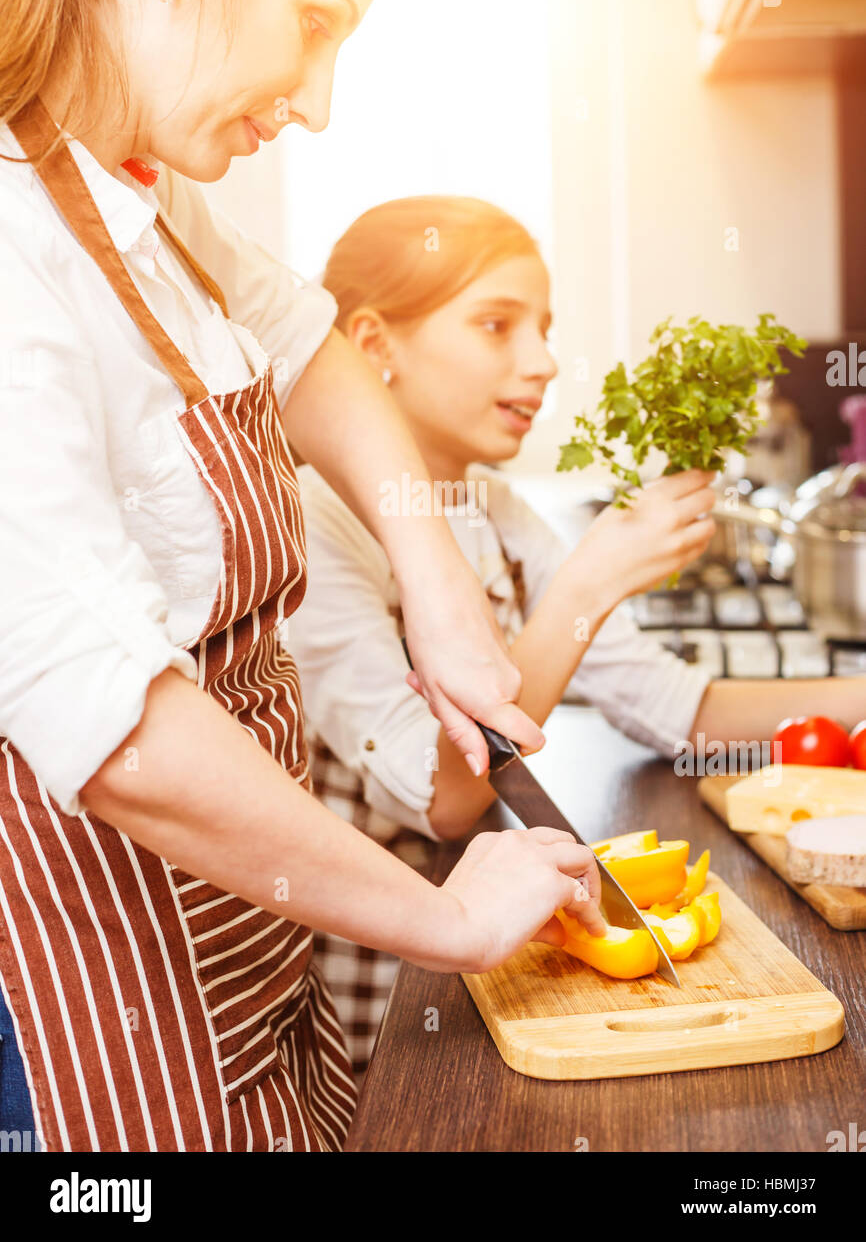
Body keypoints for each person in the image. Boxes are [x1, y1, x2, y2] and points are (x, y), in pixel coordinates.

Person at [0, 0, 609, 1153]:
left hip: (241, 966)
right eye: (315, 23)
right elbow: (120, 734)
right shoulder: (11, 251)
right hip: (86, 1024)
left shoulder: (144, 211)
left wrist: (435, 576)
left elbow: (310, 348)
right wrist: (444, 917)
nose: (320, 101)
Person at [294, 194, 866, 1074]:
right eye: (497, 325)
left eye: (546, 328)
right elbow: (443, 798)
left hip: (506, 961)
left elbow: (680, 707)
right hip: (389, 1011)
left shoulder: (494, 509)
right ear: (373, 346)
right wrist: (590, 580)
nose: (545, 361)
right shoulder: (314, 529)